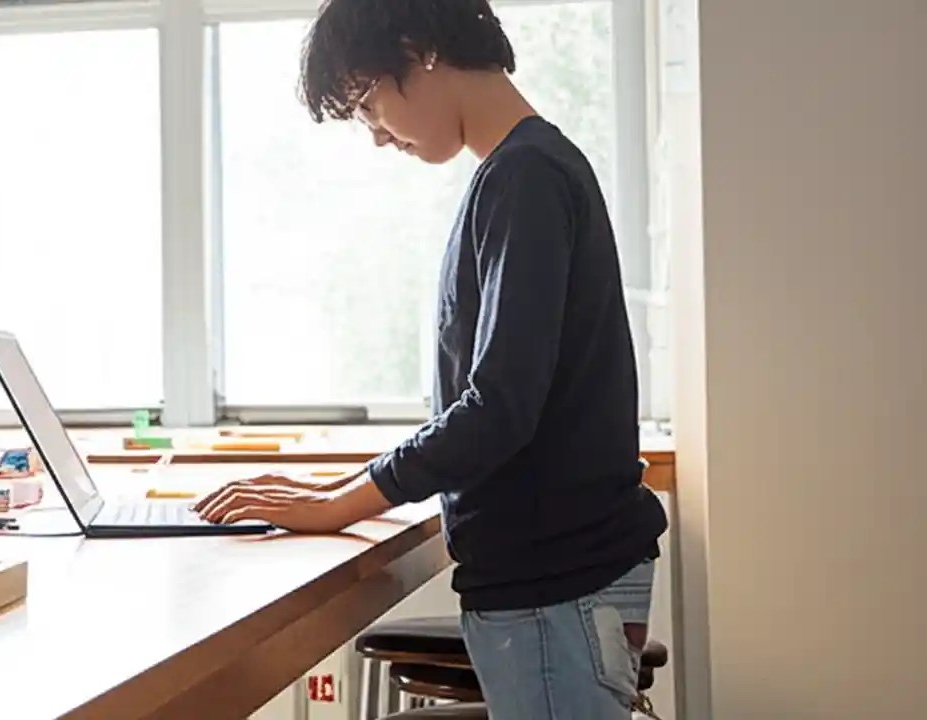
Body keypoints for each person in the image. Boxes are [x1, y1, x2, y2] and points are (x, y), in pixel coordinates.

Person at [194, 0, 669, 715]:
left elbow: (498, 406)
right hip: (550, 575)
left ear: (420, 51)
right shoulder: (518, 174)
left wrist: (340, 502)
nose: (378, 136)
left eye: (368, 104)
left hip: (556, 577)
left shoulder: (527, 178)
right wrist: (344, 487)